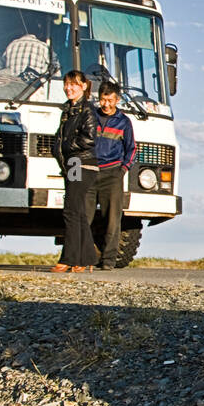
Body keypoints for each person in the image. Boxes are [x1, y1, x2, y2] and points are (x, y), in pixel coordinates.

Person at [51, 70, 99, 273]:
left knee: (71, 210)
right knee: (77, 211)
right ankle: (86, 257)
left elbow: (89, 138)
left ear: (84, 86)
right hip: (72, 164)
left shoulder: (86, 110)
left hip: (80, 164)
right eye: (67, 84)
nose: (69, 88)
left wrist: (66, 146)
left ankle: (69, 258)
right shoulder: (68, 110)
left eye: (74, 84)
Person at [93, 81, 135, 270]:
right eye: (103, 99)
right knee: (84, 216)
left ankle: (108, 261)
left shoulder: (124, 122)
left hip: (113, 173)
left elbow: (132, 149)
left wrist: (123, 169)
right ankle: (86, 256)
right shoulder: (91, 116)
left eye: (110, 100)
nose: (106, 104)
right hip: (90, 172)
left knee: (112, 219)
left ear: (117, 100)